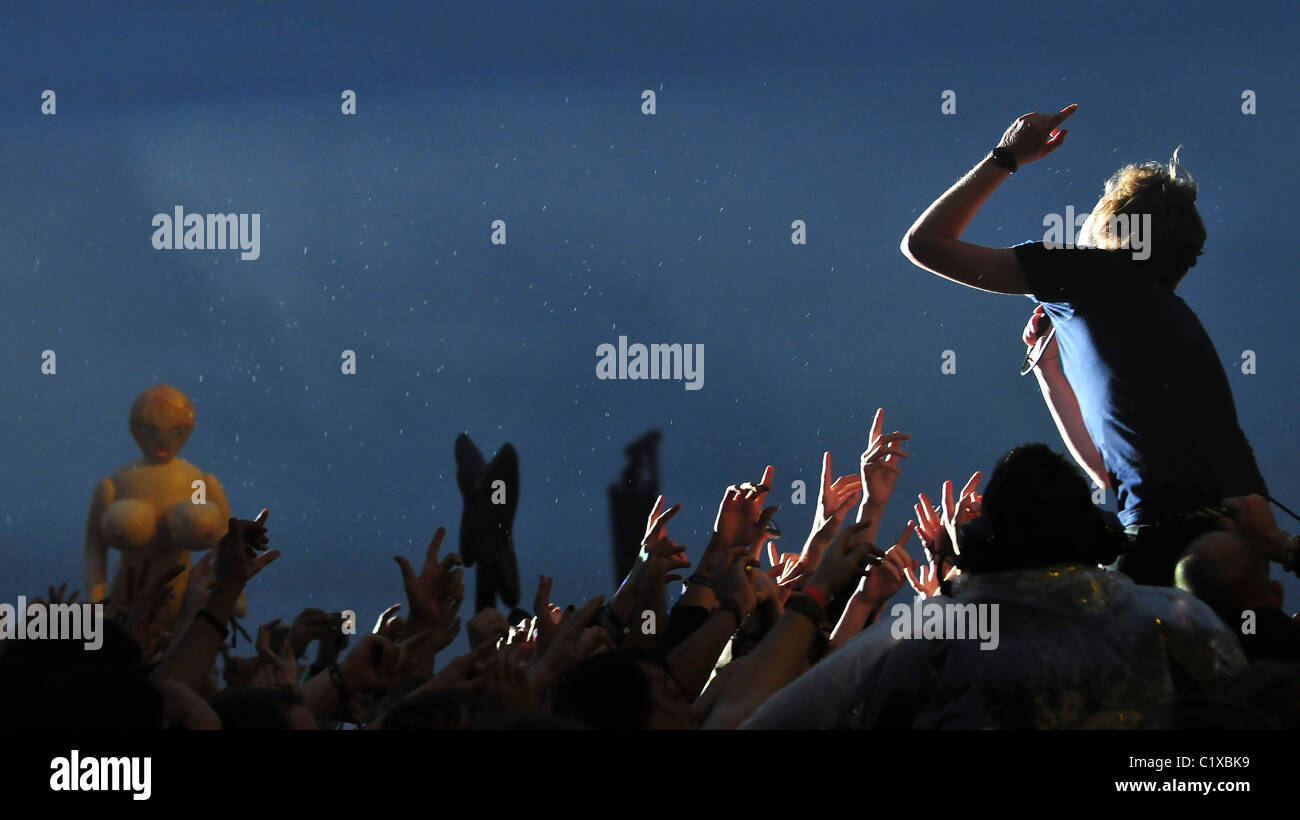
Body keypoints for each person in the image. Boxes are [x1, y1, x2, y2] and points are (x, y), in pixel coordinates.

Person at [898, 103, 1294, 584]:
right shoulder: (1182, 322)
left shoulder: (1085, 273)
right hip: (1218, 561)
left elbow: (925, 245)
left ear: (1111, 226)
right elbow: (1110, 474)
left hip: (1155, 551)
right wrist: (1049, 374)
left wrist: (1007, 156)